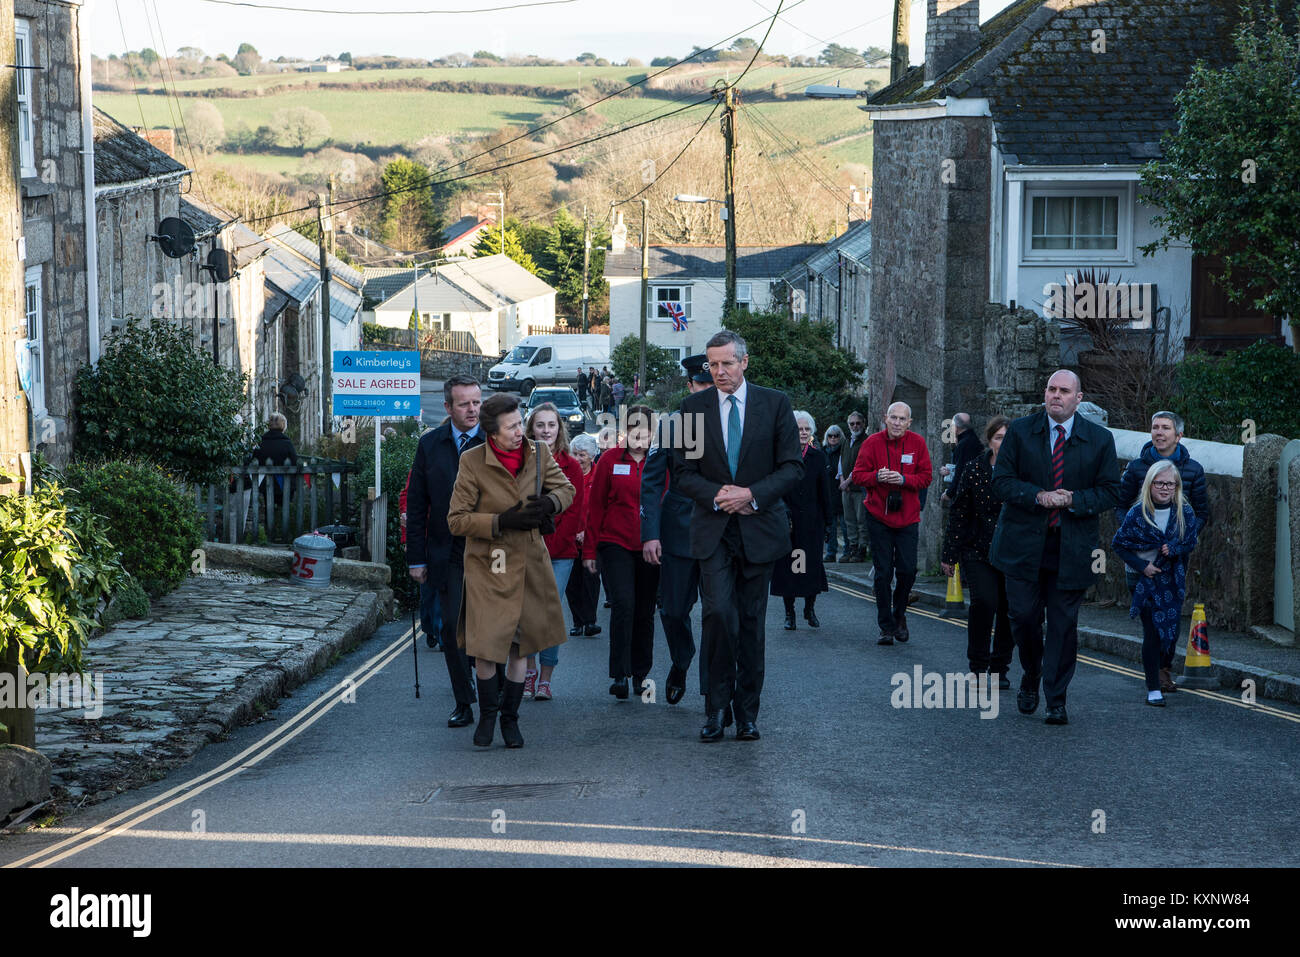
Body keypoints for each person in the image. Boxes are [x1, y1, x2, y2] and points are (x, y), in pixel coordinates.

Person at [674, 331, 803, 742]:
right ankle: (715, 709)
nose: (719, 372)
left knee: (750, 622)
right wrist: (719, 497)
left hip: (759, 529)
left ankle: (747, 713)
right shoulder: (692, 408)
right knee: (717, 616)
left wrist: (751, 495)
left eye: (727, 363)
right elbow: (681, 473)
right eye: (713, 364)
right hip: (714, 530)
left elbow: (792, 467)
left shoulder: (775, 404)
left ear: (744, 362)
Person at [990, 370, 1121, 726]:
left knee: (1063, 626)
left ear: (1079, 398)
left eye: (1064, 391)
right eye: (1051, 389)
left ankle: (1056, 698)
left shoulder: (1099, 439)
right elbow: (1001, 482)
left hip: (1072, 548)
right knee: (1024, 620)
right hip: (1022, 546)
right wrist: (1038, 495)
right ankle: (1031, 673)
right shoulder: (1019, 432)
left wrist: (1074, 499)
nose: (1056, 396)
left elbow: (1112, 491)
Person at [446, 392, 575, 748]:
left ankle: (510, 719)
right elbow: (456, 520)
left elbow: (567, 489)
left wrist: (550, 501)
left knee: (520, 648)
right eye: (512, 426)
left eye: (521, 422)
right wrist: (501, 521)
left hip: (529, 563)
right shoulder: (472, 461)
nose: (521, 431)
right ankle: (487, 716)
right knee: (487, 649)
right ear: (492, 432)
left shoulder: (539, 453)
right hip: (489, 564)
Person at [407, 376, 486, 729]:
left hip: (489, 550)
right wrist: (416, 558)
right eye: (465, 404)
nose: (473, 410)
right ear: (449, 407)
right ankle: (464, 701)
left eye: (477, 402)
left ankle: (494, 698)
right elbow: (417, 504)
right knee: (453, 627)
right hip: (447, 550)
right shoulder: (430, 445)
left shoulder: (494, 442)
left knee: (487, 628)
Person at [642, 353, 713, 705]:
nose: (704, 391)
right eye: (699, 385)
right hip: (678, 530)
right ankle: (681, 660)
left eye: (710, 386)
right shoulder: (671, 426)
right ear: (689, 386)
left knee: (719, 614)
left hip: (719, 531)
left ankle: (713, 689)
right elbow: (652, 483)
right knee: (672, 610)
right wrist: (650, 534)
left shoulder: (731, 423)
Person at [585, 405, 660, 699]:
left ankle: (641, 673)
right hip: (614, 542)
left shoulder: (660, 462)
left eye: (645, 434)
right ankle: (619, 673)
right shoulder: (609, 460)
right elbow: (596, 507)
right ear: (624, 433)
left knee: (645, 610)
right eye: (634, 434)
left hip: (650, 545)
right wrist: (590, 551)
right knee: (623, 604)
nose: (639, 440)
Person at [1112, 461, 1200, 705]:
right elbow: (1119, 544)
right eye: (1160, 483)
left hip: (1171, 578)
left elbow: (1190, 541)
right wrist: (1144, 567)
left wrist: (1173, 548)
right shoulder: (1137, 512)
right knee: (1152, 631)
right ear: (1150, 484)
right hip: (1142, 577)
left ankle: (1163, 668)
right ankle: (1153, 688)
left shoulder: (1185, 512)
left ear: (1177, 486)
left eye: (1170, 484)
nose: (1165, 488)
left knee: (1169, 633)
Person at [941, 415, 1014, 689]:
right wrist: (949, 554)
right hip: (977, 549)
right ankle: (977, 666)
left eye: (1008, 440)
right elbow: (959, 512)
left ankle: (1000, 669)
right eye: (998, 438)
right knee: (985, 602)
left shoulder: (1023, 471)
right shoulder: (974, 468)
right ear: (989, 440)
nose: (1003, 444)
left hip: (1012, 552)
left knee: (1009, 609)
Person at [851, 402, 933, 645]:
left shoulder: (917, 443)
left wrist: (903, 479)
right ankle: (886, 627)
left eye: (902, 419)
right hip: (878, 516)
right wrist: (876, 476)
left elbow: (926, 477)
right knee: (883, 572)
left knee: (907, 571)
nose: (897, 423)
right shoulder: (872, 442)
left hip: (907, 517)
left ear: (909, 422)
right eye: (893, 418)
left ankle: (899, 615)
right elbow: (857, 476)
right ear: (885, 418)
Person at [522, 402, 586, 701]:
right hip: (525, 548)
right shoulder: (521, 461)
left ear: (559, 429)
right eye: (540, 425)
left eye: (551, 425)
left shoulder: (571, 465)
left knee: (551, 610)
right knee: (527, 611)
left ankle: (546, 677)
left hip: (559, 551)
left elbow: (574, 511)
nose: (546, 430)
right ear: (530, 428)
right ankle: (529, 670)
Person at [771, 410, 831, 630]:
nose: (803, 433)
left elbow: (825, 492)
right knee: (790, 568)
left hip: (813, 523)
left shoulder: (818, 456)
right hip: (788, 522)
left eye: (807, 429)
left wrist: (828, 523)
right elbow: (775, 488)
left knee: (810, 567)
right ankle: (790, 614)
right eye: (799, 429)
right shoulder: (781, 456)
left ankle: (810, 609)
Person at [1115, 410, 1209, 532]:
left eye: (1165, 428)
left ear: (1178, 436)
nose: (1159, 432)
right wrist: (1134, 534)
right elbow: (1121, 507)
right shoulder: (1136, 467)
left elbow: (1201, 513)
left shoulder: (1194, 470)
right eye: (1155, 427)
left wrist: (1183, 540)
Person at [565, 433, 603, 638]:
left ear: (591, 456)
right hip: (569, 537)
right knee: (573, 582)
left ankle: (590, 621)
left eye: (582, 454)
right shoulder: (566, 476)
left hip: (592, 538)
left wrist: (586, 532)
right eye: (575, 454)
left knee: (591, 580)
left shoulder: (599, 477)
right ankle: (577, 622)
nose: (578, 458)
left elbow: (601, 508)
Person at [249, 412, 298, 534]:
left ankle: (268, 532)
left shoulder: (262, 442)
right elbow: (295, 462)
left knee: (268, 509)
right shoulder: (287, 443)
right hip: (284, 483)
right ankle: (283, 533)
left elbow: (254, 458)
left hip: (265, 482)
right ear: (283, 425)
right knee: (284, 509)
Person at [836, 412, 870, 562]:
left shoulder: (867, 441)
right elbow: (841, 461)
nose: (855, 426)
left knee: (861, 520)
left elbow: (861, 465)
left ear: (863, 423)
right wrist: (842, 480)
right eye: (852, 424)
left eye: (858, 423)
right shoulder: (846, 440)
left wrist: (847, 481)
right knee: (849, 520)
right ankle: (852, 548)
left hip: (859, 488)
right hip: (846, 488)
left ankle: (861, 551)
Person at [940, 412, 981, 505]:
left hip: (965, 495)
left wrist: (950, 493)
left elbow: (961, 471)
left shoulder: (965, 444)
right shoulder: (969, 439)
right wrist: (949, 470)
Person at [822, 425, 847, 562]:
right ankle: (831, 553)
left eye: (836, 435)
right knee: (830, 526)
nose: (833, 438)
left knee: (845, 525)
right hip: (827, 493)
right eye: (830, 435)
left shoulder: (843, 451)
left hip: (841, 491)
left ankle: (847, 552)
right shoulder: (823, 451)